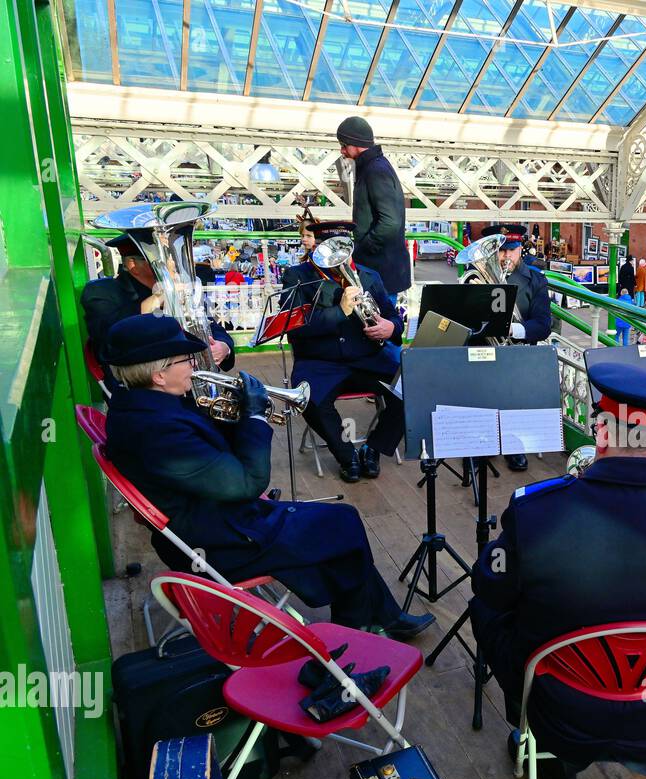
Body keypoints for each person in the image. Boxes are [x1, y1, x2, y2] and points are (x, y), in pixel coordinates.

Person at [469, 363, 646, 779]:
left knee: (490, 609)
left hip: (562, 721)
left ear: (602, 432)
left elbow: (487, 585)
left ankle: (547, 750)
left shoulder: (536, 513)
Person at [102, 314, 432, 640]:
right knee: (342, 524)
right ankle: (356, 627)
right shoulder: (159, 430)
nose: (193, 365)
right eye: (185, 360)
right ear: (159, 375)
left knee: (339, 525)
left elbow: (209, 452)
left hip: (210, 518)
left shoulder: (143, 405)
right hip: (220, 543)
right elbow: (248, 482)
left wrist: (233, 415)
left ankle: (379, 617)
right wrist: (255, 416)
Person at [280, 220, 405, 483]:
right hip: (319, 361)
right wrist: (340, 313)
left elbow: (395, 317)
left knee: (410, 387)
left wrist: (389, 327)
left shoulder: (369, 275)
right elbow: (294, 329)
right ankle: (346, 456)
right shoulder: (297, 276)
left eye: (343, 247)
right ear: (318, 245)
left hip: (367, 358)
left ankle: (374, 448)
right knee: (309, 399)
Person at [81, 232, 235, 390]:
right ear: (133, 265)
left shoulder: (181, 290)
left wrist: (224, 347)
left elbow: (211, 326)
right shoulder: (101, 292)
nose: (173, 265)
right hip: (141, 389)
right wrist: (160, 296)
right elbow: (109, 340)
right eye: (164, 260)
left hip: (190, 381)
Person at [475, 223, 554, 471]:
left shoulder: (536, 281)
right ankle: (482, 443)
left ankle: (512, 443)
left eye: (512, 249)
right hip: (485, 350)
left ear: (521, 249)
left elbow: (543, 325)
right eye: (501, 251)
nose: (507, 256)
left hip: (517, 353)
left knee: (512, 386)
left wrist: (514, 330)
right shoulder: (477, 277)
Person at [336, 116, 410, 302]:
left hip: (380, 270)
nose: (342, 150)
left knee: (380, 326)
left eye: (344, 144)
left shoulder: (375, 170)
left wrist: (364, 247)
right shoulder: (374, 167)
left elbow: (391, 222)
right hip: (380, 269)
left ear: (356, 143)